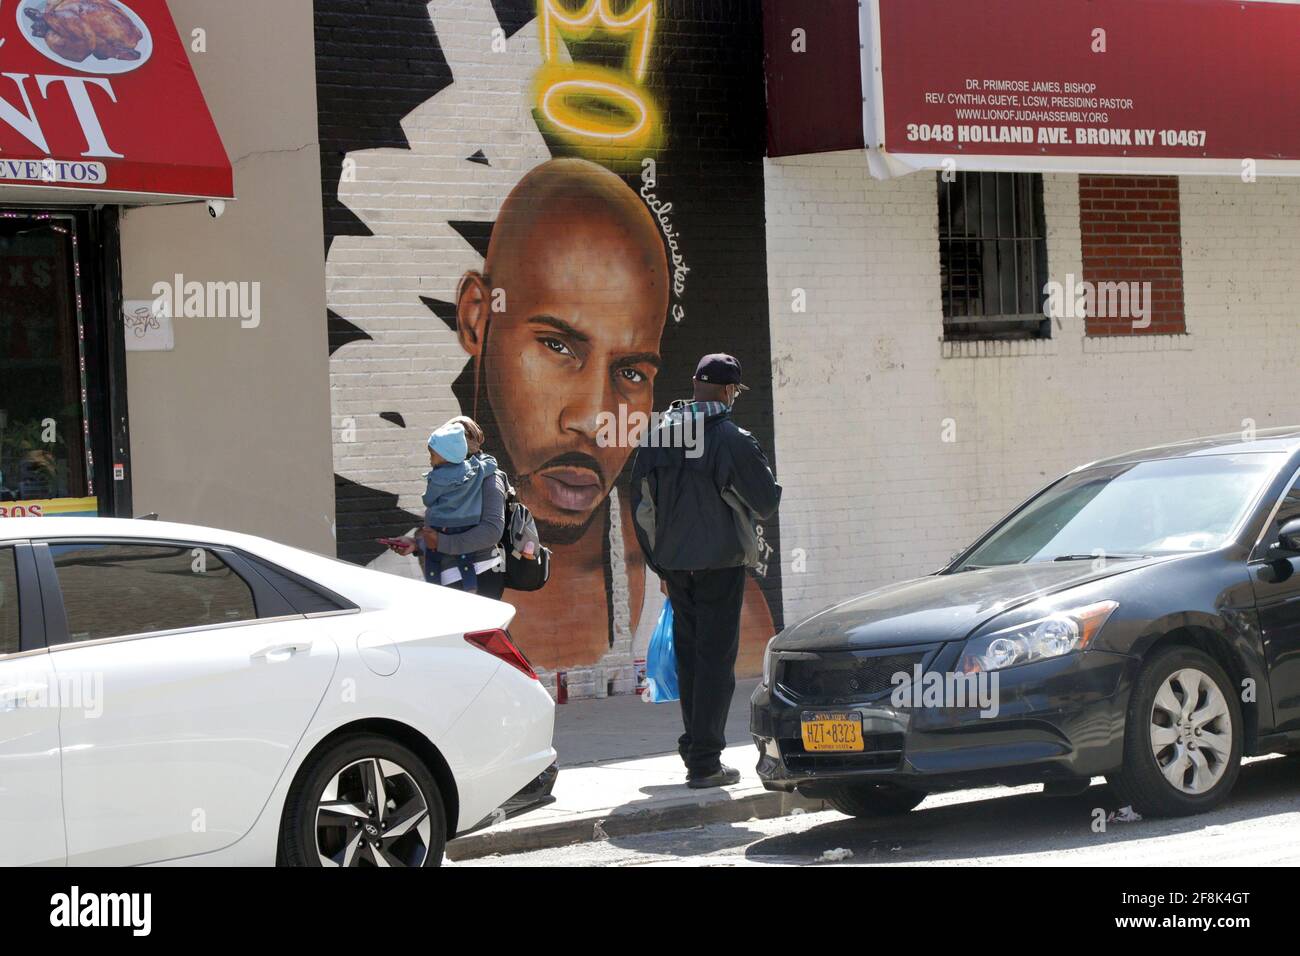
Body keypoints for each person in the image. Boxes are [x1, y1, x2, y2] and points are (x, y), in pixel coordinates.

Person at [452, 157, 776, 670]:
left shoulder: (739, 620)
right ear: (477, 317)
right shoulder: (393, 597)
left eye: (630, 372)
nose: (594, 418)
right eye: (557, 345)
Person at [630, 353, 782, 789]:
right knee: (715, 660)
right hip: (720, 563)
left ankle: (696, 750)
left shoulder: (658, 434)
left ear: (695, 384)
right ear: (729, 391)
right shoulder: (732, 439)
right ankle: (704, 761)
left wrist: (659, 560)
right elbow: (766, 502)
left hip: (676, 565)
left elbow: (641, 505)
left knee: (690, 654)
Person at [388, 416, 509, 599]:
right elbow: (444, 529)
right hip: (446, 579)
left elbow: (491, 531)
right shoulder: (447, 478)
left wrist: (440, 542)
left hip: (479, 577)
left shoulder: (489, 477)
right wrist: (417, 545)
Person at [421, 421, 498, 593]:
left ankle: (432, 588)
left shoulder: (438, 477)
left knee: (433, 558)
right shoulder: (475, 470)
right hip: (466, 525)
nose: (430, 459)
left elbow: (429, 500)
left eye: (432, 455)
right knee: (465, 560)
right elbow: (492, 463)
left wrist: (440, 541)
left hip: (444, 527)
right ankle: (471, 586)